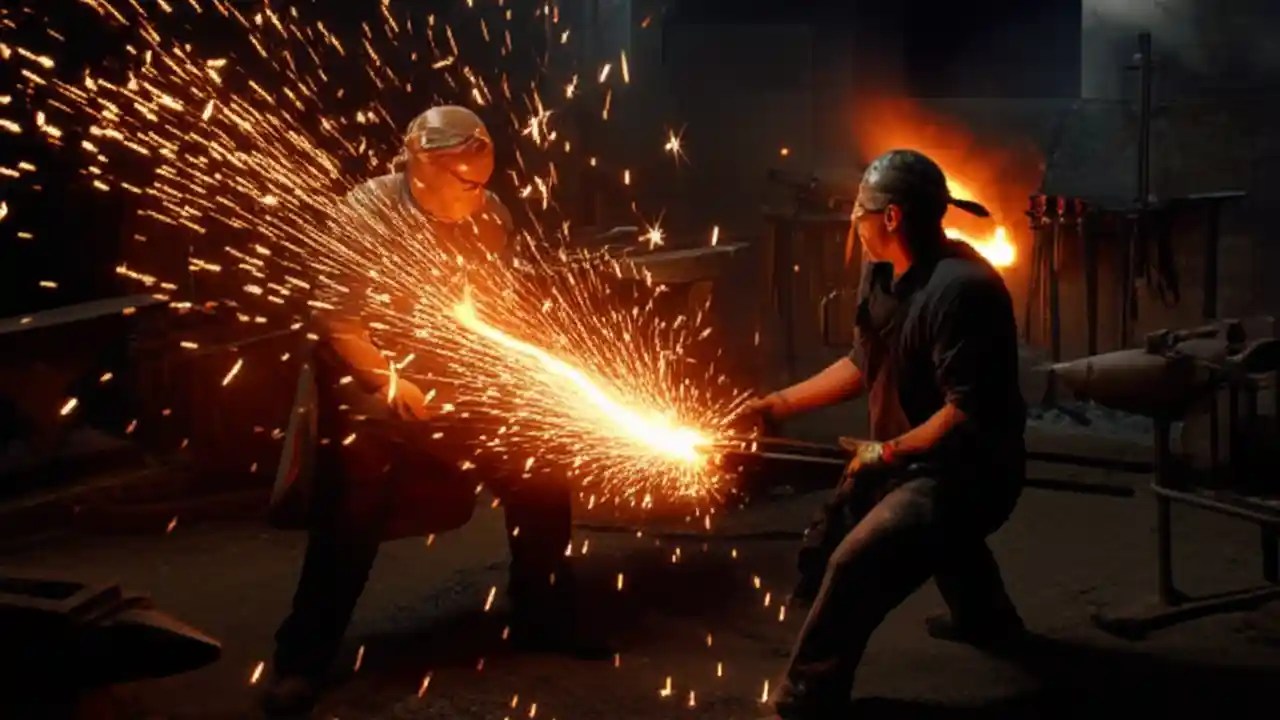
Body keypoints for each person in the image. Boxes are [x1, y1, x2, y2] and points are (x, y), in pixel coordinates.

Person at [262, 106, 604, 717]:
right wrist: (391, 379)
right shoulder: (367, 214)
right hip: (374, 380)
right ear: (422, 166)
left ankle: (540, 613)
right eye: (467, 182)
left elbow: (495, 313)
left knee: (542, 470)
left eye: (485, 181)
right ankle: (302, 658)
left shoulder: (489, 216)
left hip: (461, 377)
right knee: (353, 505)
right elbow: (339, 321)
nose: (480, 194)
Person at [745, 149, 1029, 719]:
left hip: (971, 470)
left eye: (859, 209)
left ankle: (810, 694)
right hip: (913, 462)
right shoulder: (881, 276)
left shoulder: (962, 291)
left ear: (892, 217)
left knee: (858, 558)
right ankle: (985, 618)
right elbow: (862, 364)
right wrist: (777, 406)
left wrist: (890, 450)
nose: (853, 218)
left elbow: (965, 414)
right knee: (891, 525)